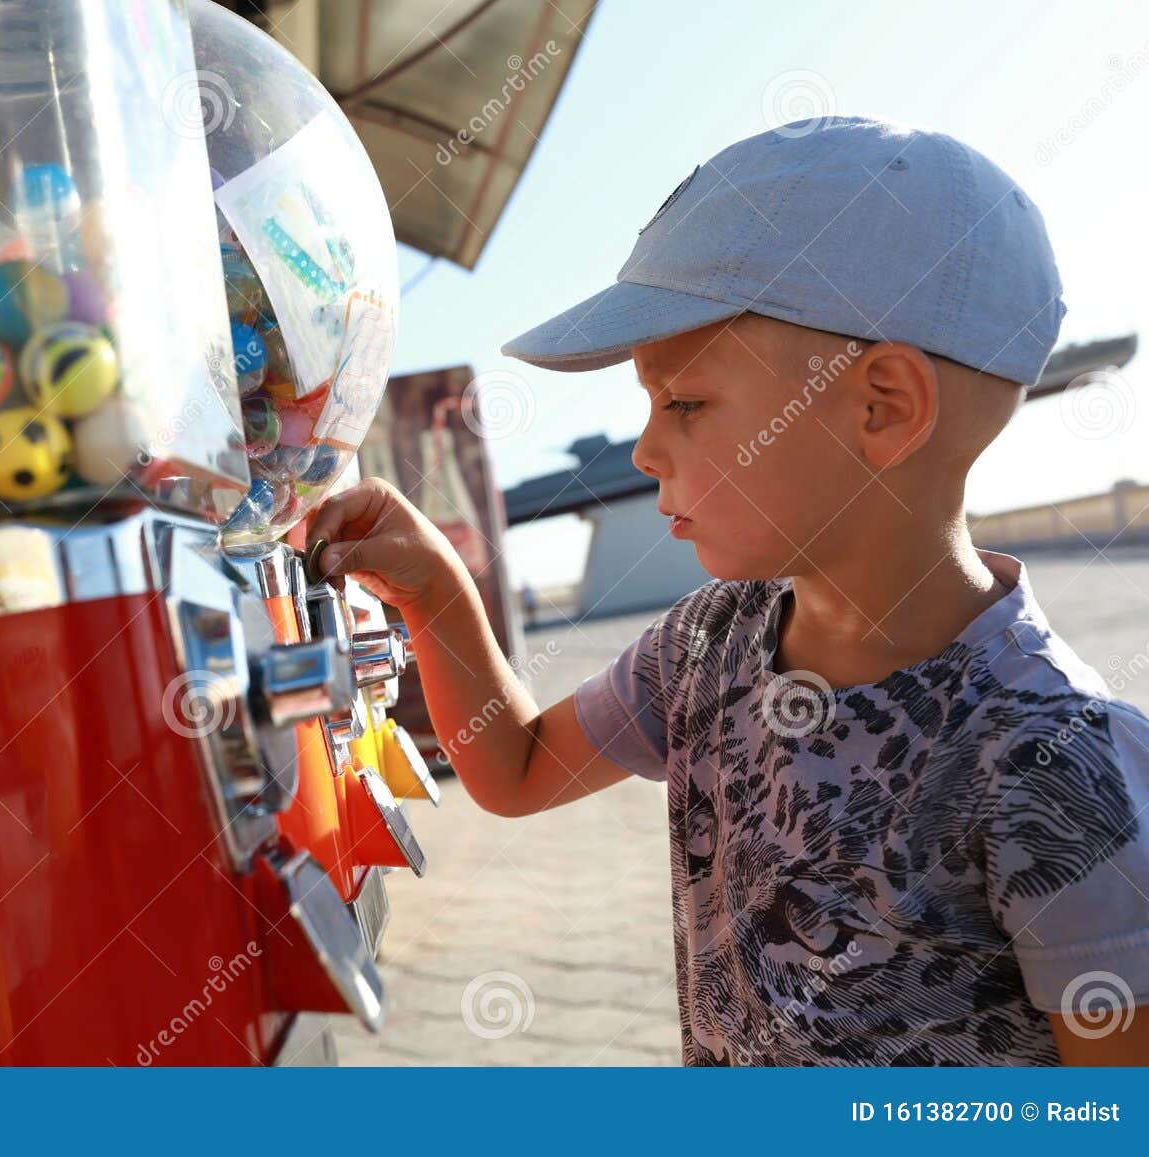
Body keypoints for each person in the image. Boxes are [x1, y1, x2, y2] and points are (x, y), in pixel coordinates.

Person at [307, 117, 1148, 1066]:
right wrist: (435, 588)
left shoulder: (1052, 762)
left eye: (685, 403)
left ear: (883, 408)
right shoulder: (708, 645)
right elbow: (514, 768)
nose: (642, 449)